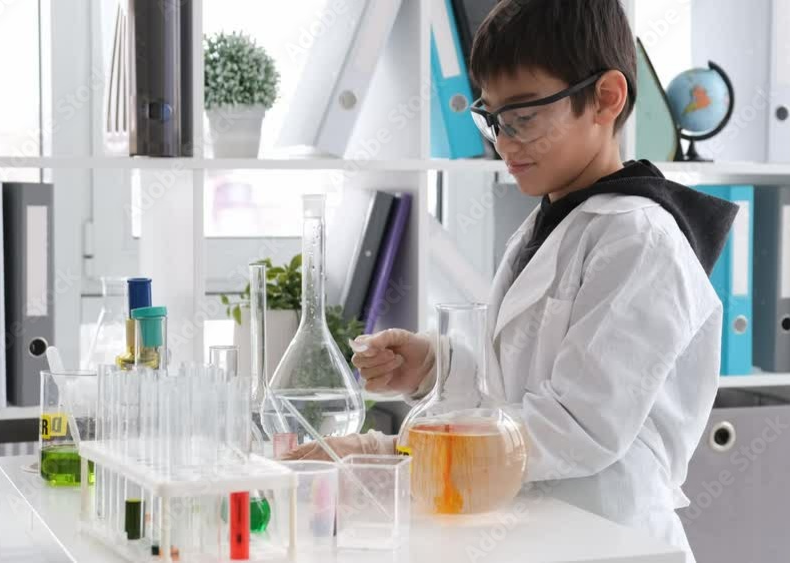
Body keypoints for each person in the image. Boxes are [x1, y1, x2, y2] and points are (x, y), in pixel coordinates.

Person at [284, 0, 737, 559]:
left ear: (606, 98)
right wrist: (436, 363)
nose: (502, 141)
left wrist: (390, 452)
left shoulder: (638, 239)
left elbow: (576, 424)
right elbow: (518, 387)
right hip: (538, 532)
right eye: (492, 119)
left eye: (522, 118)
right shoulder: (551, 223)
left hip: (611, 538)